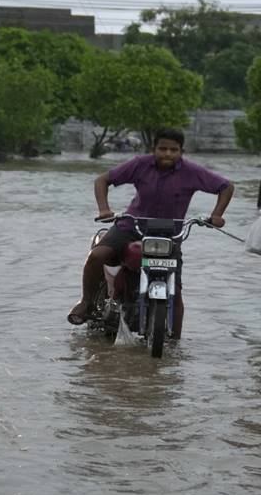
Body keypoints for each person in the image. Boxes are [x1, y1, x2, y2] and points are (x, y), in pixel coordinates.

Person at [67, 128, 234, 338]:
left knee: (176, 291)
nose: (168, 154)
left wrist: (217, 215)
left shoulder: (192, 172)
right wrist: (104, 210)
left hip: (168, 236)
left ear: (182, 152)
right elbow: (102, 180)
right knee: (97, 255)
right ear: (153, 149)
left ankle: (175, 343)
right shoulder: (140, 164)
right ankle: (86, 302)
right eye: (162, 149)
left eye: (173, 150)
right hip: (131, 227)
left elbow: (226, 187)